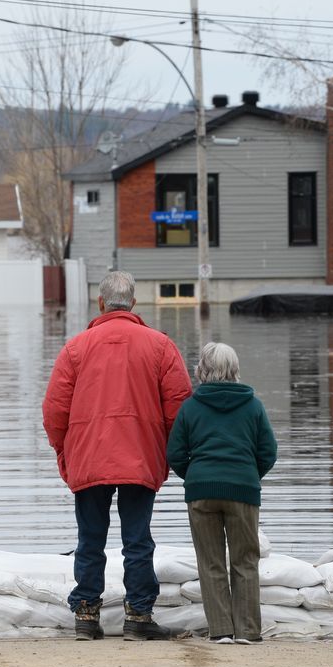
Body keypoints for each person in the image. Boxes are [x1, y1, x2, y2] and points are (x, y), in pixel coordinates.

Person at [43, 271, 192, 641]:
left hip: (90, 456)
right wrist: (170, 453)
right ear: (134, 304)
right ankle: (139, 616)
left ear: (100, 303)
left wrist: (65, 454)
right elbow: (179, 408)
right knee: (138, 540)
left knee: (89, 539)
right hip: (140, 456)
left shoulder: (75, 348)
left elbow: (54, 411)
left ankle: (86, 615)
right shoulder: (160, 346)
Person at [166, 342, 277, 645]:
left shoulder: (190, 407)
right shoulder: (253, 405)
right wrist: (249, 476)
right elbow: (269, 451)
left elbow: (175, 453)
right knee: (245, 560)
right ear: (235, 368)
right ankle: (247, 631)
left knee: (210, 561)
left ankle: (221, 631)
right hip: (243, 490)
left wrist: (197, 477)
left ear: (201, 369)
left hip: (201, 492)